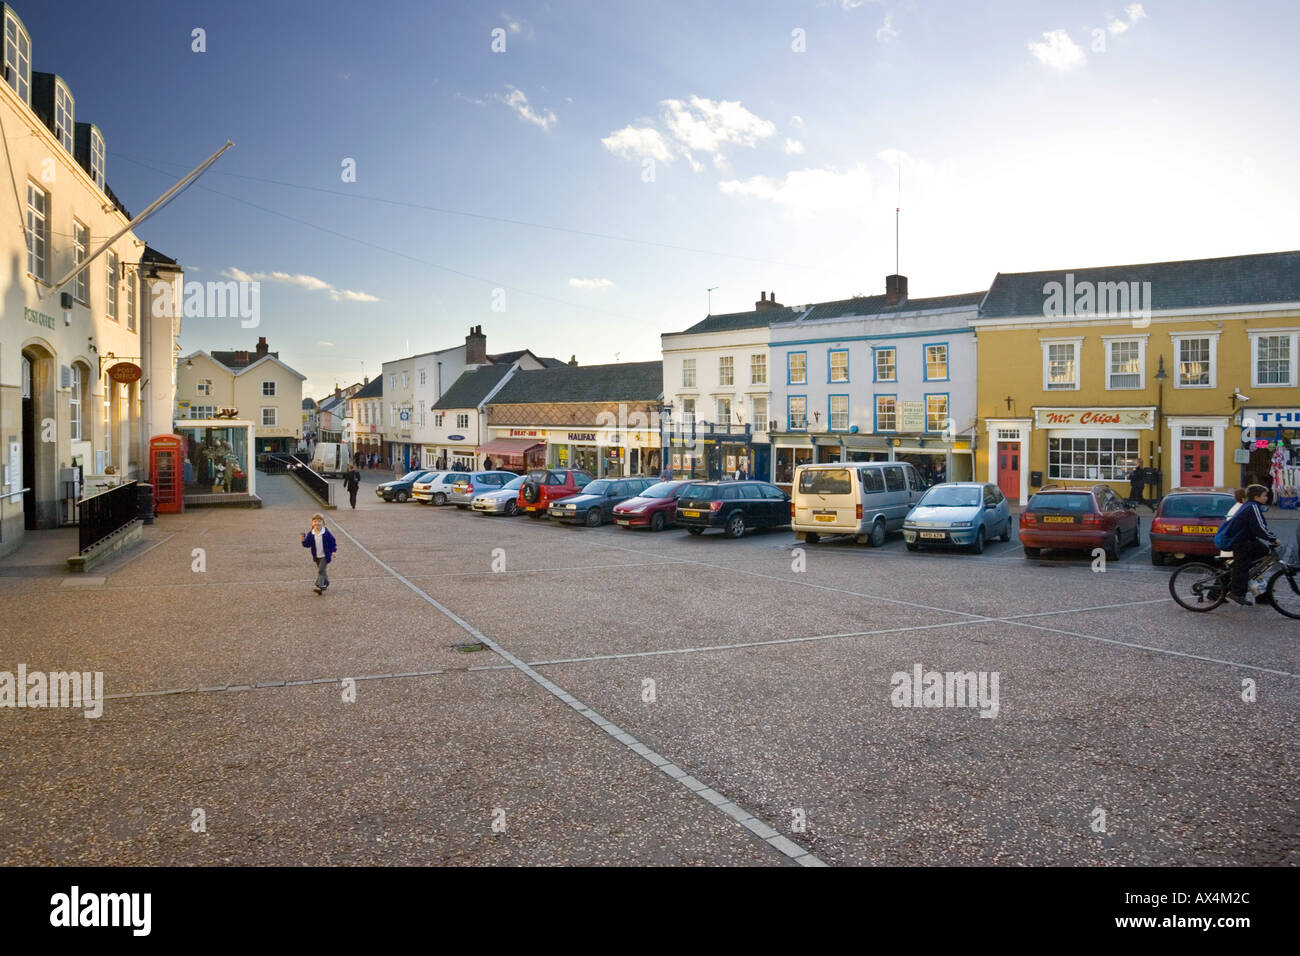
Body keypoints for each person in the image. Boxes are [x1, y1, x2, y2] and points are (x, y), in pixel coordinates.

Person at [1226, 485, 1278, 606]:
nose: (1266, 498)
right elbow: (1259, 527)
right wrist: (1272, 538)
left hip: (1248, 540)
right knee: (1242, 568)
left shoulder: (1250, 506)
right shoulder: (1253, 506)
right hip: (1242, 541)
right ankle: (1237, 594)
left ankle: (1250, 579)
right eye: (1264, 495)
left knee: (1263, 551)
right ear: (1256, 497)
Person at [300, 513, 338, 595]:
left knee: (321, 570)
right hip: (317, 556)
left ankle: (320, 586)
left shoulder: (326, 533)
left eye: (319, 521)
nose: (317, 523)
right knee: (323, 571)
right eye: (315, 521)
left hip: (325, 555)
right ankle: (326, 582)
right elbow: (307, 544)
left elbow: (332, 542)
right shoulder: (311, 533)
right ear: (312, 523)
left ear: (323, 523)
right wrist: (303, 540)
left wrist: (333, 551)